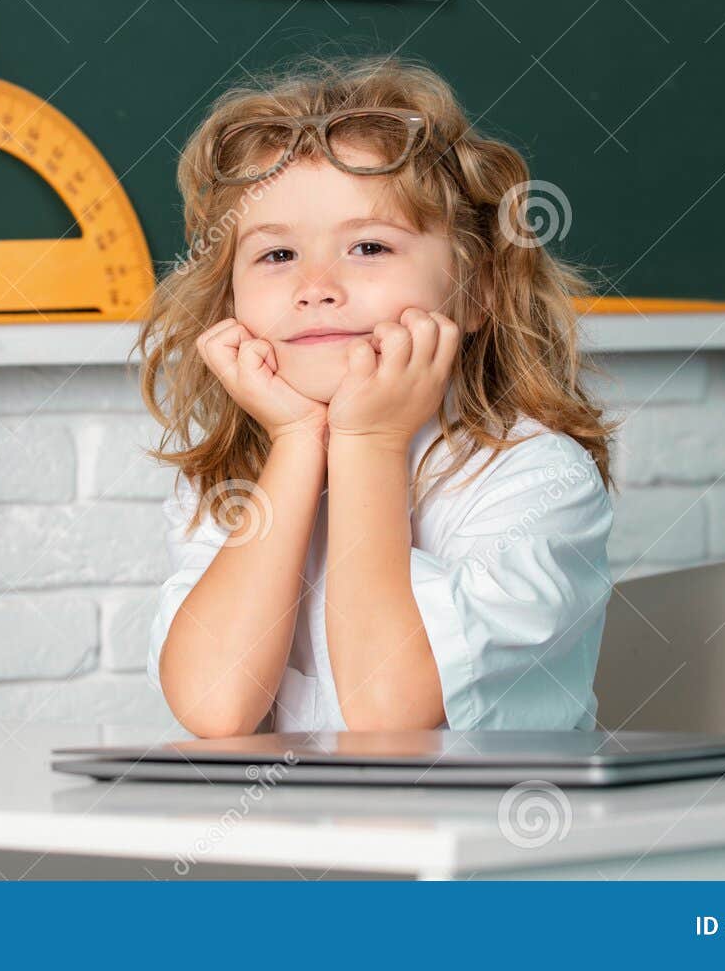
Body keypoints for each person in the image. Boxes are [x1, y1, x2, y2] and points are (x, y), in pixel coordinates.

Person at [137, 53, 617, 737]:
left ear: (476, 289)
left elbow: (389, 716)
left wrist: (370, 442)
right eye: (277, 255)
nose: (316, 285)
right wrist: (300, 441)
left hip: (491, 838)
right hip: (306, 841)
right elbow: (216, 705)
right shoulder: (233, 485)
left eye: (367, 246)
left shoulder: (536, 477)